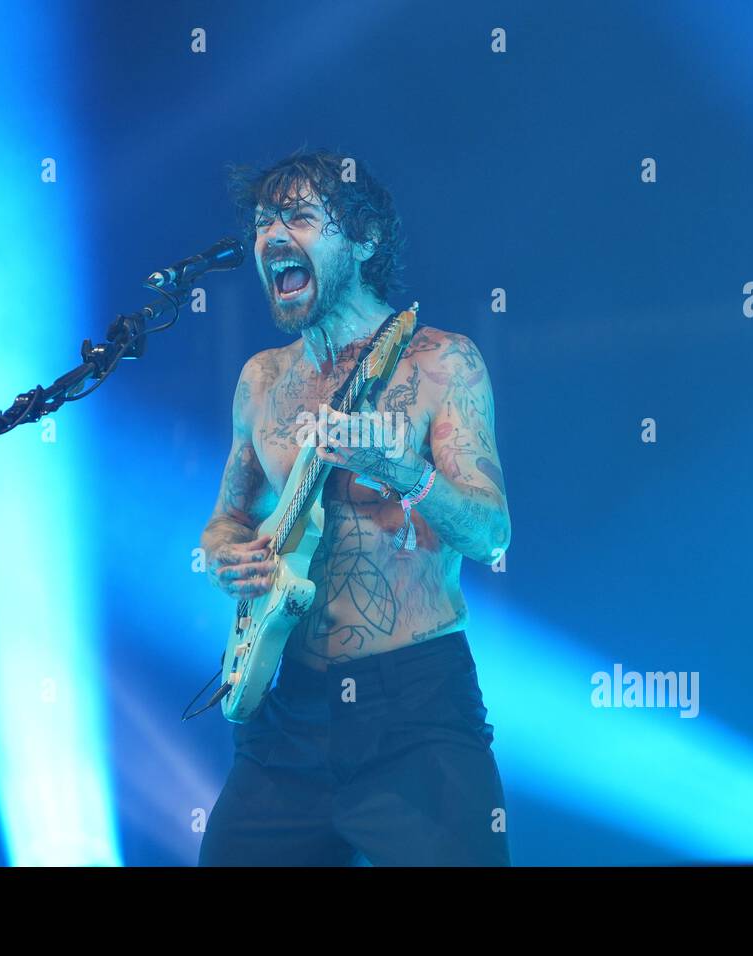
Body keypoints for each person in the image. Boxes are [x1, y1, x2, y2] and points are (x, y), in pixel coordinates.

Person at [198, 149, 512, 865]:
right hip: (286, 717)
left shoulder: (441, 363)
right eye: (262, 223)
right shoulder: (262, 379)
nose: (274, 236)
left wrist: (401, 470)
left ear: (366, 240)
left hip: (415, 713)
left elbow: (492, 533)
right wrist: (228, 557)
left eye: (302, 218)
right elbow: (226, 518)